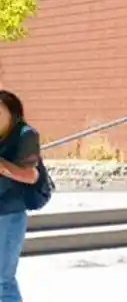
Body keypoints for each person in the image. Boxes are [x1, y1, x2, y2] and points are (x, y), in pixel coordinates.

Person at [0, 90, 41, 301]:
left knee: (3, 280)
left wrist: (3, 167)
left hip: (9, 213)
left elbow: (31, 175)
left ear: (12, 112)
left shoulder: (26, 135)